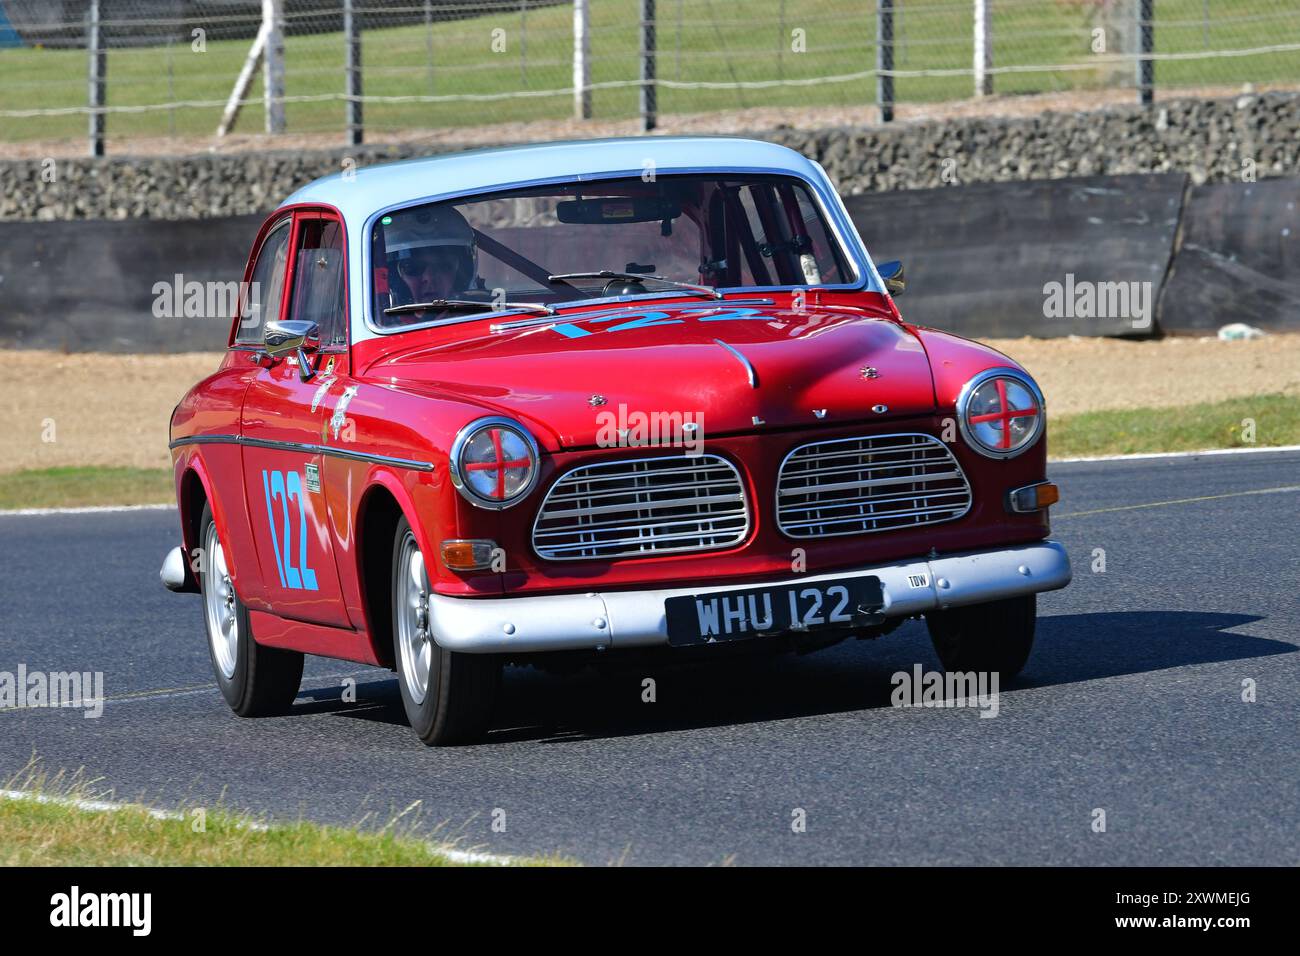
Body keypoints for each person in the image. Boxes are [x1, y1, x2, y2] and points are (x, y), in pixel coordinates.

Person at [382, 206, 479, 321]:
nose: (429, 277)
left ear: (459, 274)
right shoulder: (380, 328)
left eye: (443, 266)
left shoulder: (482, 317)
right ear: (395, 278)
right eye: (413, 268)